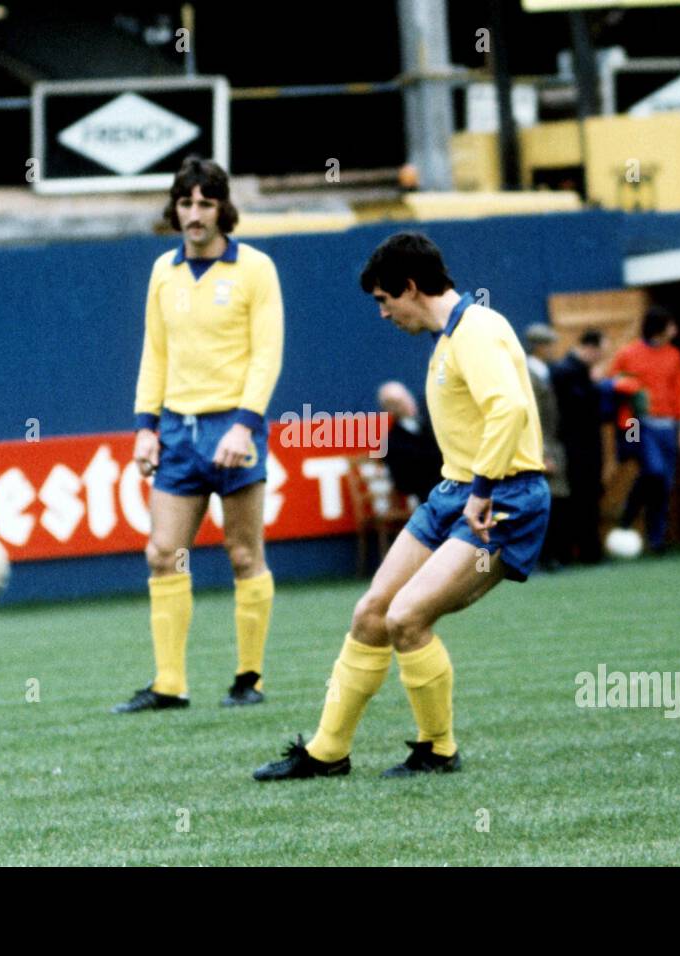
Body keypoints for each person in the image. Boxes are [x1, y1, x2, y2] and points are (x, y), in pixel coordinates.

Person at [252, 232, 549, 780]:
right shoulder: (448, 339)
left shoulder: (477, 330)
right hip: (453, 495)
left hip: (502, 498)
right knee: (370, 613)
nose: (384, 314)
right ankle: (326, 753)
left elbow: (507, 411)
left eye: (384, 301)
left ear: (410, 287)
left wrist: (481, 491)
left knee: (407, 617)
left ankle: (438, 750)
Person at [112, 157, 284, 713]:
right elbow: (154, 352)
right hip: (178, 435)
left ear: (222, 208)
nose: (194, 214)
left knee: (241, 553)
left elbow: (267, 354)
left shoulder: (255, 269)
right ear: (175, 208)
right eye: (185, 203)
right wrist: (145, 428)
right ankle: (168, 685)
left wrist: (245, 424)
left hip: (233, 428)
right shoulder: (164, 271)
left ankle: (249, 678)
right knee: (164, 553)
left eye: (205, 203)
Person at [608, 306, 680, 554]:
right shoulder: (629, 354)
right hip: (639, 424)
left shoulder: (674, 355)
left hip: (668, 426)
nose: (675, 330)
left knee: (664, 483)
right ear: (660, 327)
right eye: (671, 325)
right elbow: (612, 382)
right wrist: (631, 389)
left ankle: (656, 540)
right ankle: (627, 515)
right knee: (654, 472)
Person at [551, 329, 607, 564]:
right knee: (577, 500)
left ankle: (589, 550)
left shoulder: (578, 371)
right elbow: (577, 409)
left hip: (587, 446)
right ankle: (579, 552)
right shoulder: (565, 371)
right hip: (574, 447)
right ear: (590, 348)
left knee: (590, 496)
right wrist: (595, 386)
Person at [523, 324, 567, 567]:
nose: (553, 350)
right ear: (540, 346)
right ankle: (544, 558)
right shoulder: (530, 375)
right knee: (545, 502)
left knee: (555, 500)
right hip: (542, 446)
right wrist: (542, 453)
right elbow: (533, 416)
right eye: (549, 344)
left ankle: (553, 556)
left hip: (551, 443)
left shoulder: (544, 372)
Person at [376, 380, 443, 503]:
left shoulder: (434, 422)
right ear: (388, 409)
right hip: (432, 496)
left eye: (406, 396)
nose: (406, 403)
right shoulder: (393, 443)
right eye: (397, 402)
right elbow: (403, 484)